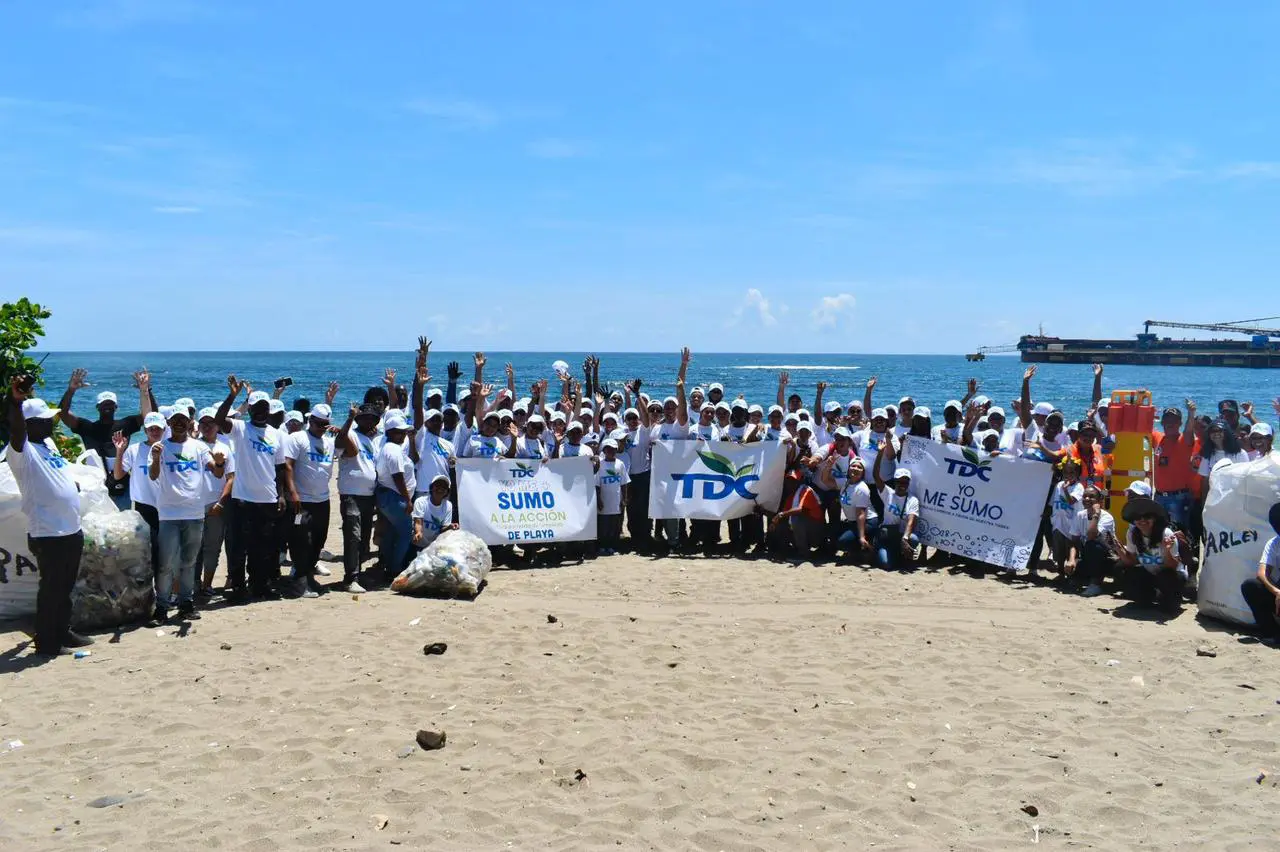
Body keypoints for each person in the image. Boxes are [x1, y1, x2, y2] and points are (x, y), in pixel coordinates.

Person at [5, 379, 93, 656]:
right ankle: (47, 642)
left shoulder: (49, 444)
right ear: (29, 424)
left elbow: (54, 475)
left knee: (66, 588)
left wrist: (69, 486)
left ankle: (63, 631)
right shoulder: (22, 452)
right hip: (48, 532)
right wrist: (15, 401)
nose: (50, 423)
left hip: (70, 529)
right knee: (51, 590)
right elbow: (16, 430)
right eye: (43, 420)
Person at [148, 407, 224, 623]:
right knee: (166, 564)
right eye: (175, 420)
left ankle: (186, 604)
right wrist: (156, 458)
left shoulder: (199, 447)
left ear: (190, 422)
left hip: (194, 513)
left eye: (183, 419)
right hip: (168, 514)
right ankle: (162, 607)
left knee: (189, 562)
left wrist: (219, 461)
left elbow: (217, 472)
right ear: (169, 423)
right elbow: (153, 475)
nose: (179, 423)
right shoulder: (159, 447)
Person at [214, 377, 287, 602]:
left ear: (269, 410)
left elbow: (280, 468)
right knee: (239, 548)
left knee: (263, 547)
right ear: (250, 410)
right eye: (256, 408)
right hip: (242, 499)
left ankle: (260, 586)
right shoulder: (240, 429)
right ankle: (238, 588)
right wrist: (232, 396)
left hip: (267, 498)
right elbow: (219, 419)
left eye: (264, 408)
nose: (260, 412)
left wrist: (281, 495)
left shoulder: (277, 434)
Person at [283, 403, 336, 598]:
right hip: (301, 501)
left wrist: (345, 425)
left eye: (325, 425)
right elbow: (287, 466)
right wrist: (293, 493)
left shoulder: (329, 442)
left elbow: (351, 450)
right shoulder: (297, 438)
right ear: (310, 420)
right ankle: (299, 582)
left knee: (318, 541)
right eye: (318, 423)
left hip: (322, 500)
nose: (321, 428)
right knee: (301, 541)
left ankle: (309, 577)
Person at [114, 411, 165, 575]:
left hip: (167, 506)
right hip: (144, 506)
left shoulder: (169, 448)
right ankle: (150, 583)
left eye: (158, 428)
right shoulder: (134, 449)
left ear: (164, 429)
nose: (155, 432)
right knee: (147, 549)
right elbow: (118, 475)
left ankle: (164, 584)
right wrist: (120, 451)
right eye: (151, 429)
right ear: (145, 430)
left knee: (165, 549)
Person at [1118, 496, 1185, 613]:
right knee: (1128, 572)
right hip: (1150, 573)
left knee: (1166, 579)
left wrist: (1167, 550)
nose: (1142, 520)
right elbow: (1132, 561)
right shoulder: (1132, 533)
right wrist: (1117, 547)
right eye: (1138, 517)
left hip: (1172, 575)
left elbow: (1173, 566)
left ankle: (1170, 598)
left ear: (1154, 519)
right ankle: (1148, 598)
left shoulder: (1166, 533)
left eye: (1147, 517)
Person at [194, 407, 234, 598]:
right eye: (203, 423)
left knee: (212, 548)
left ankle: (207, 585)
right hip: (193, 506)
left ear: (218, 425)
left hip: (216, 505)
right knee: (193, 549)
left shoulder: (225, 446)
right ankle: (193, 584)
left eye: (211, 423)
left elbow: (231, 478)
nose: (207, 426)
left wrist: (221, 503)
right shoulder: (192, 445)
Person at [374, 412, 416, 585]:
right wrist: (407, 499)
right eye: (399, 432)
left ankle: (388, 565)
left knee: (392, 533)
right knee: (406, 534)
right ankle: (394, 569)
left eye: (404, 432)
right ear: (390, 432)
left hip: (388, 496)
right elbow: (397, 476)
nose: (403, 435)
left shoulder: (389, 448)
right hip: (394, 497)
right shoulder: (393, 450)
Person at [1151, 402, 1197, 529]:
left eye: (1174, 421)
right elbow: (1144, 427)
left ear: (1180, 423)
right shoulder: (1157, 437)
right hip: (1159, 496)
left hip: (1179, 498)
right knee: (1159, 532)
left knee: (1179, 533)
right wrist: (1147, 408)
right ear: (1162, 422)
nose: (1170, 423)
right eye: (1167, 420)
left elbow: (1189, 430)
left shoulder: (1184, 440)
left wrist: (1191, 413)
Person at [1065, 486, 1118, 596]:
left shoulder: (1107, 517)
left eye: (1091, 496)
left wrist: (1096, 515)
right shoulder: (1080, 515)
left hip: (1105, 557)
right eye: (1085, 496)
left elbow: (1091, 535)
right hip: (1088, 556)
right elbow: (1074, 542)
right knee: (1073, 575)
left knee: (1092, 545)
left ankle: (1095, 584)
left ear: (1099, 500)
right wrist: (1071, 560)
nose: (1087, 499)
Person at [1239, 503, 1280, 642]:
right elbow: (1262, 574)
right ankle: (1271, 633)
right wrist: (1277, 592)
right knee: (1250, 586)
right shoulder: (1274, 544)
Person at [873, 464, 920, 571]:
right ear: (895, 482)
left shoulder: (913, 500)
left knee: (913, 538)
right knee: (886, 565)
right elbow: (876, 475)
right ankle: (888, 552)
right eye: (899, 482)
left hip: (901, 536)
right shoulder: (888, 493)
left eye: (905, 482)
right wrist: (880, 455)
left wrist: (905, 538)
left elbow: (911, 521)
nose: (902, 485)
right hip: (887, 537)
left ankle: (904, 557)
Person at [595, 438, 630, 556]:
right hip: (604, 501)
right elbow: (597, 485)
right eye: (608, 449)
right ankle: (602, 547)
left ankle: (611, 546)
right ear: (604, 450)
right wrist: (599, 499)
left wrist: (624, 499)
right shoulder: (600, 465)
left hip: (616, 501)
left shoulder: (620, 464)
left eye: (614, 449)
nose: (611, 451)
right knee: (603, 526)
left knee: (614, 526)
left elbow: (624, 483)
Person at [1049, 460, 1084, 575]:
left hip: (1071, 524)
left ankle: (1071, 573)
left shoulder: (1079, 487)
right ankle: (1060, 572)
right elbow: (1052, 503)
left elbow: (1071, 501)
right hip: (1058, 523)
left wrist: (1065, 490)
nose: (1068, 475)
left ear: (1077, 473)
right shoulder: (1059, 485)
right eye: (1065, 472)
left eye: (1071, 472)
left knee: (1071, 548)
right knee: (1059, 549)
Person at [1197, 418, 1249, 491]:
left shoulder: (1240, 454)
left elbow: (1246, 479)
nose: (1216, 433)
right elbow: (1205, 479)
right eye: (1212, 431)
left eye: (1220, 430)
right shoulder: (1208, 454)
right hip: (1215, 496)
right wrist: (1204, 498)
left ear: (1226, 432)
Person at [412, 474, 457, 550]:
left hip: (433, 547)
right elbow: (418, 522)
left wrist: (450, 527)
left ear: (447, 492)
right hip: (416, 543)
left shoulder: (448, 505)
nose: (440, 488)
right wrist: (418, 532)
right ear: (432, 487)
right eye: (438, 485)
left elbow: (443, 528)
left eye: (444, 487)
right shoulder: (420, 501)